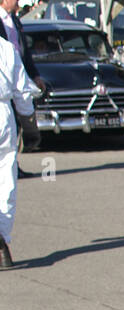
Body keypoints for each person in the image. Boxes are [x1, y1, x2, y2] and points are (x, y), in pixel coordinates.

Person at [1, 28, 36, 268]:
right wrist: (30, 123)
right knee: (6, 181)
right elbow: (22, 91)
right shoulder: (6, 47)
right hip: (4, 115)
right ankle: (2, 240)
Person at [1, 0, 43, 179]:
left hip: (14, 76)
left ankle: (15, 165)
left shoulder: (15, 21)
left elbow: (25, 52)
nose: (17, 1)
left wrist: (34, 75)